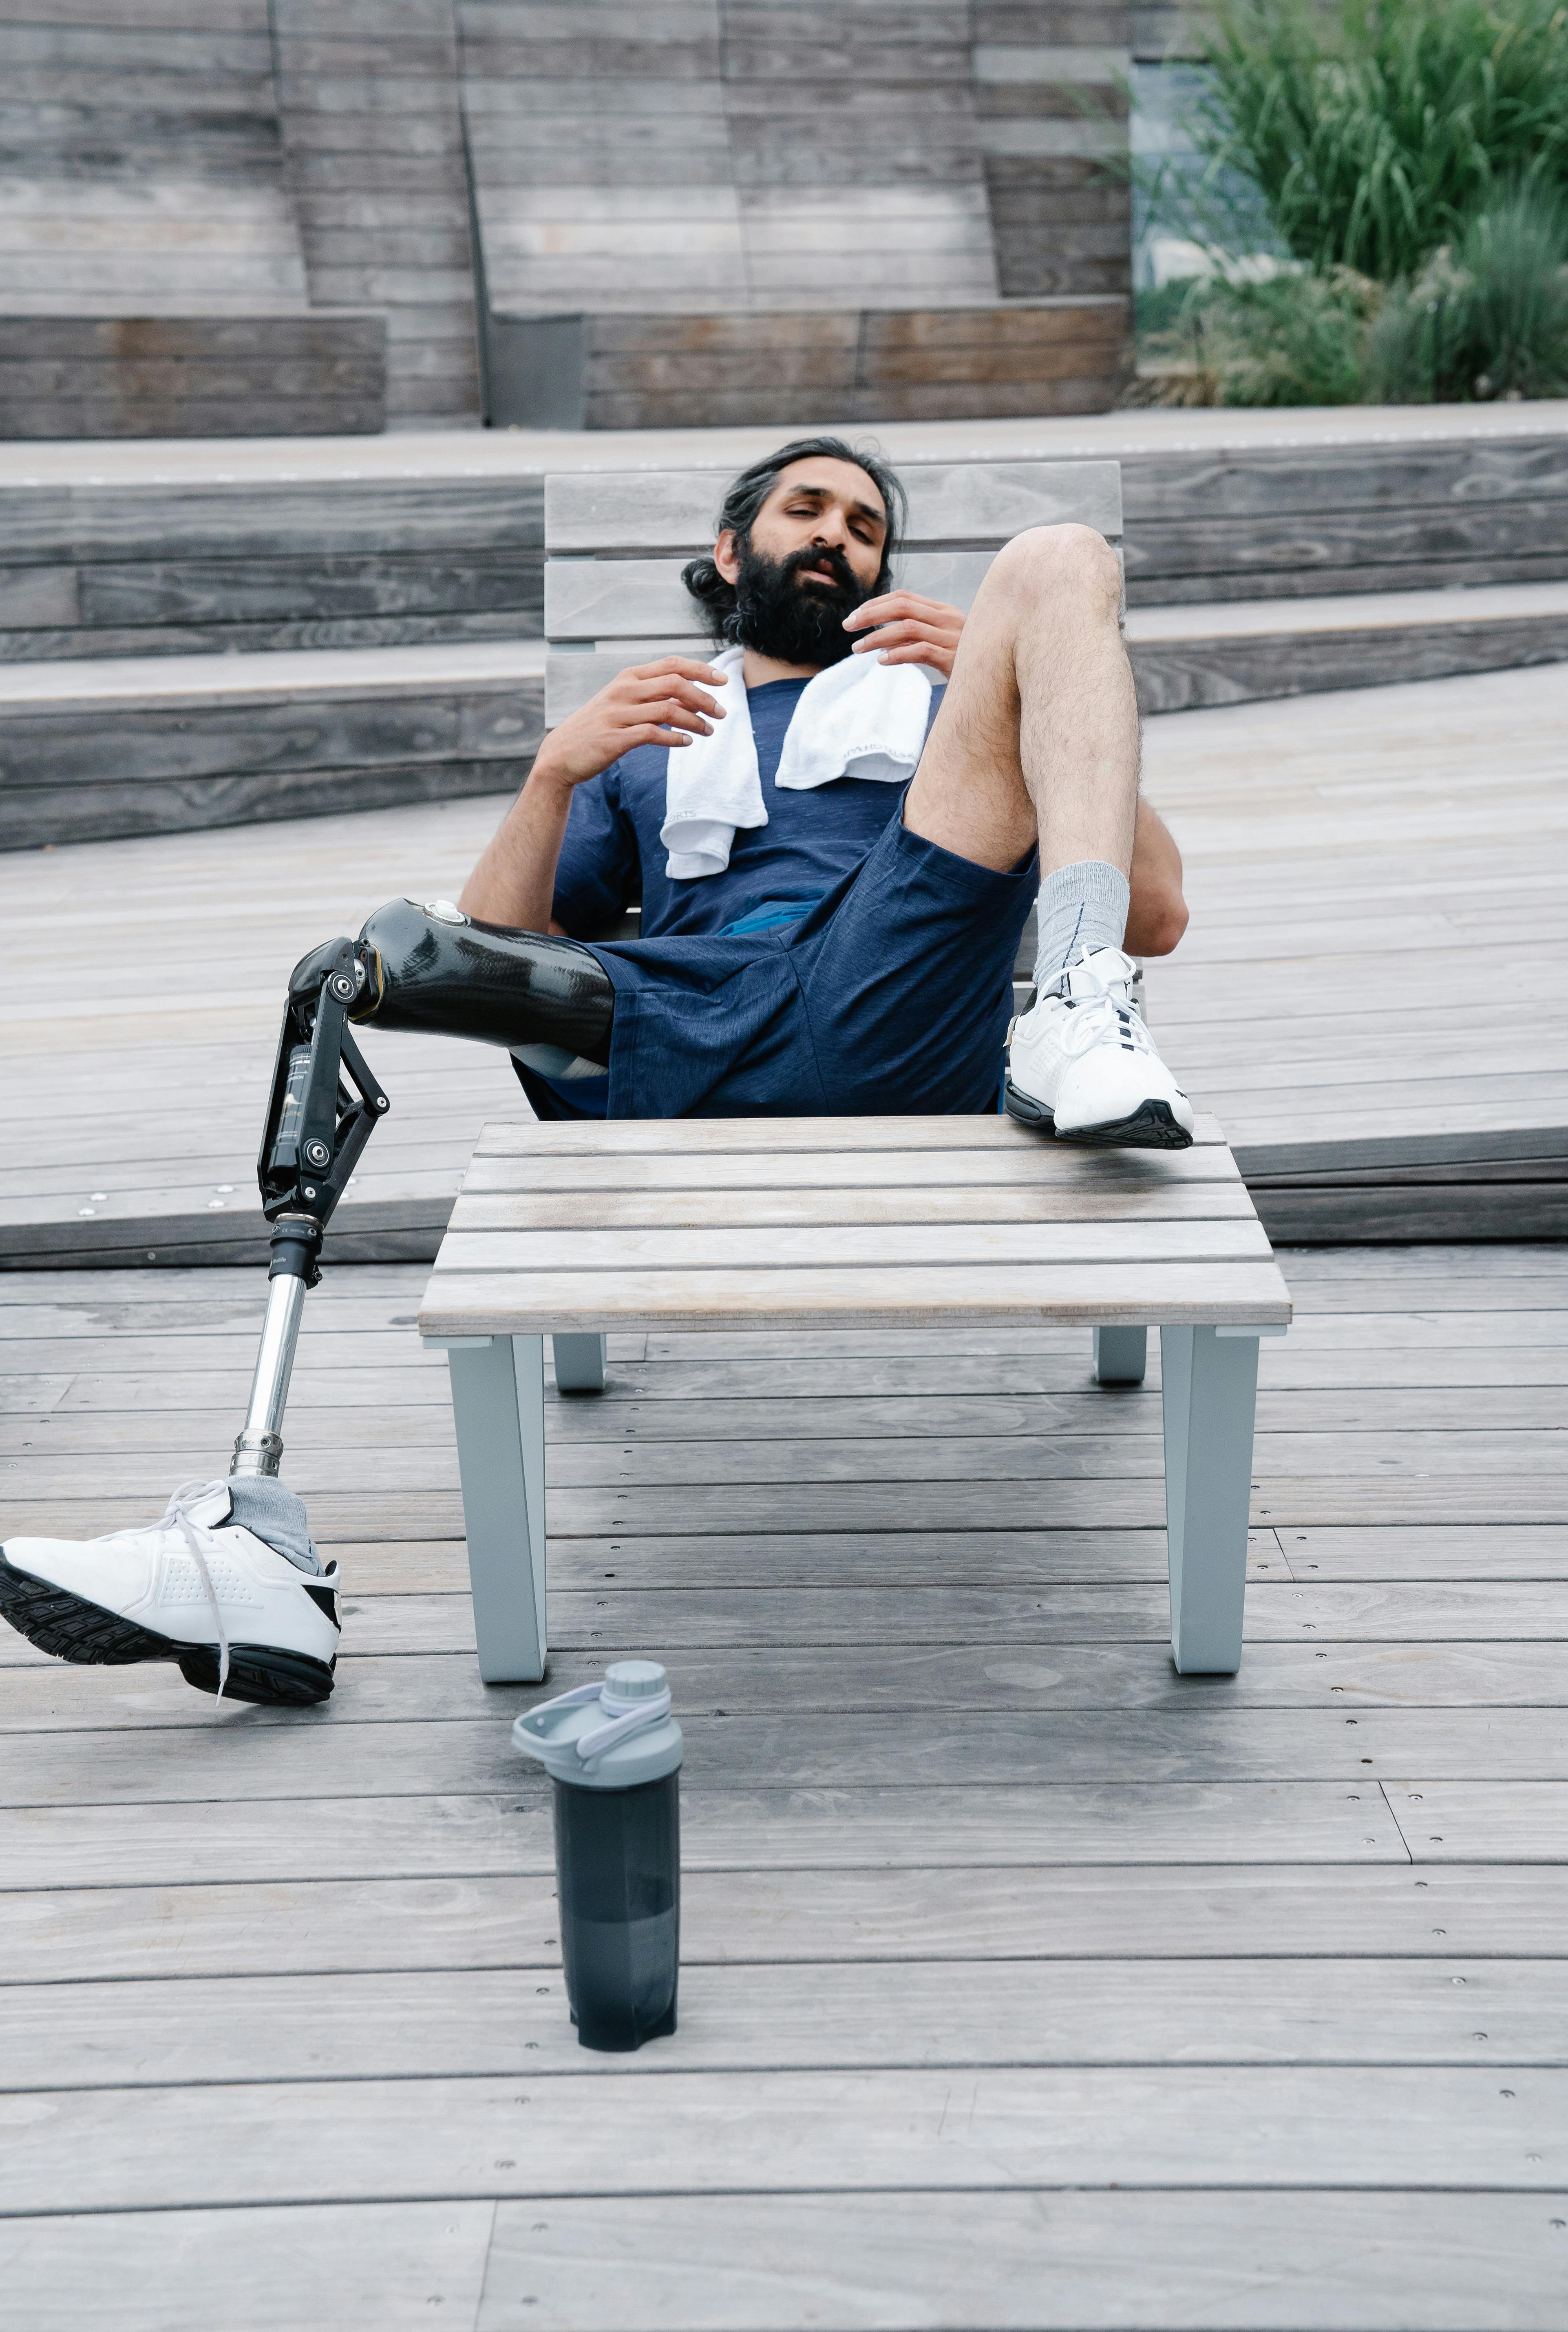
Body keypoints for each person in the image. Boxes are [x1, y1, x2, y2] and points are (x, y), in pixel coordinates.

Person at [0, 436, 1194, 1707]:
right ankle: (251, 1535)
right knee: (373, 960)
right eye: (808, 509)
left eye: (867, 524)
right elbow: (495, 949)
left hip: (881, 996)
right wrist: (556, 768)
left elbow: (1160, 912)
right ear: (734, 552)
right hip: (675, 1026)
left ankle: (1073, 1005)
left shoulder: (952, 707)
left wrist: (995, 679)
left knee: (1057, 559)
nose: (841, 536)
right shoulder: (646, 739)